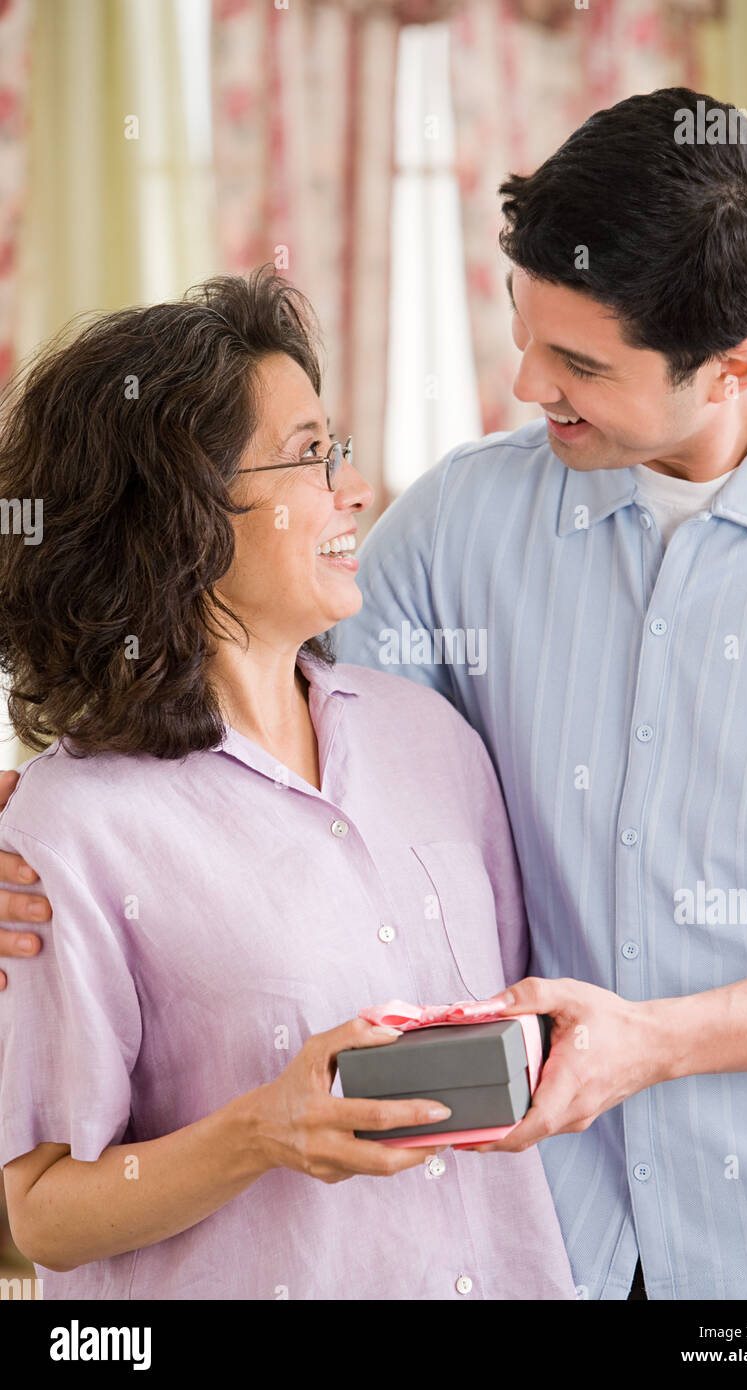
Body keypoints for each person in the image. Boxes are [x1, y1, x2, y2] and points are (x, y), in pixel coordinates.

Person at [334, 87, 747, 1300]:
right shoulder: (462, 521)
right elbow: (283, 765)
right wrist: (66, 825)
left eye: (579, 362)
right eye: (522, 330)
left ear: (734, 365)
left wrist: (658, 1044)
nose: (527, 383)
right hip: (544, 1239)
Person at [0, 267, 578, 1300]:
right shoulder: (70, 823)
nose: (353, 489)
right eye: (311, 457)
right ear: (183, 514)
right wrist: (260, 1131)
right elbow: (44, 1208)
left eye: (337, 450)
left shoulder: (426, 736)